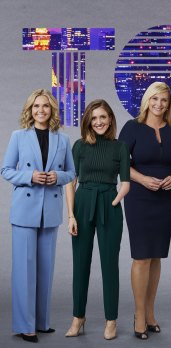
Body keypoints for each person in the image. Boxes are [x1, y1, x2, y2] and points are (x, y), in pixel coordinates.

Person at [1, 89, 75, 343]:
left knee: (45, 269)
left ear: (52, 110)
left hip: (50, 211)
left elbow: (71, 173)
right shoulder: (18, 136)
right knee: (24, 269)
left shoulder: (62, 139)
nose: (40, 110)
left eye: (45, 106)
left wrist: (58, 177)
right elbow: (6, 170)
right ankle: (25, 325)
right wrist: (29, 177)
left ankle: (41, 322)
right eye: (36, 106)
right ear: (30, 110)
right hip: (25, 210)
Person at [118, 82, 171, 340]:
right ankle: (138, 315)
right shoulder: (132, 128)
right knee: (142, 257)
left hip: (166, 199)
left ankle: (150, 313)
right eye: (155, 99)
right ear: (147, 100)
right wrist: (141, 179)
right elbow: (120, 162)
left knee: (157, 255)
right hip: (139, 198)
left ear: (169, 104)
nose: (160, 105)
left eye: (165, 101)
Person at [65, 99, 130, 340]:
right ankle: (77, 317)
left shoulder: (120, 147)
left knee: (109, 265)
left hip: (109, 204)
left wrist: (115, 200)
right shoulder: (79, 146)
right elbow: (70, 182)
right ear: (88, 122)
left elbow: (126, 181)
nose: (99, 122)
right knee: (80, 264)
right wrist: (71, 215)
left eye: (103, 117)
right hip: (82, 203)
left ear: (110, 119)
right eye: (94, 118)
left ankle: (111, 320)